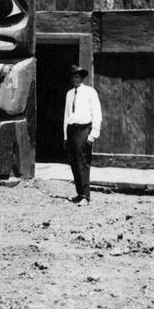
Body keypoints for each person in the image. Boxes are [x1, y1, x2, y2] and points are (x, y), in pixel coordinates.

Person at [63, 65, 101, 205]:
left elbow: (97, 113)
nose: (75, 79)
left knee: (83, 163)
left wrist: (93, 134)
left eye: (78, 76)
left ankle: (86, 196)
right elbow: (66, 116)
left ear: (82, 78)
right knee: (73, 163)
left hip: (84, 130)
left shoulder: (90, 92)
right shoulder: (69, 94)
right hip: (72, 130)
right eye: (73, 77)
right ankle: (79, 194)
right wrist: (66, 137)